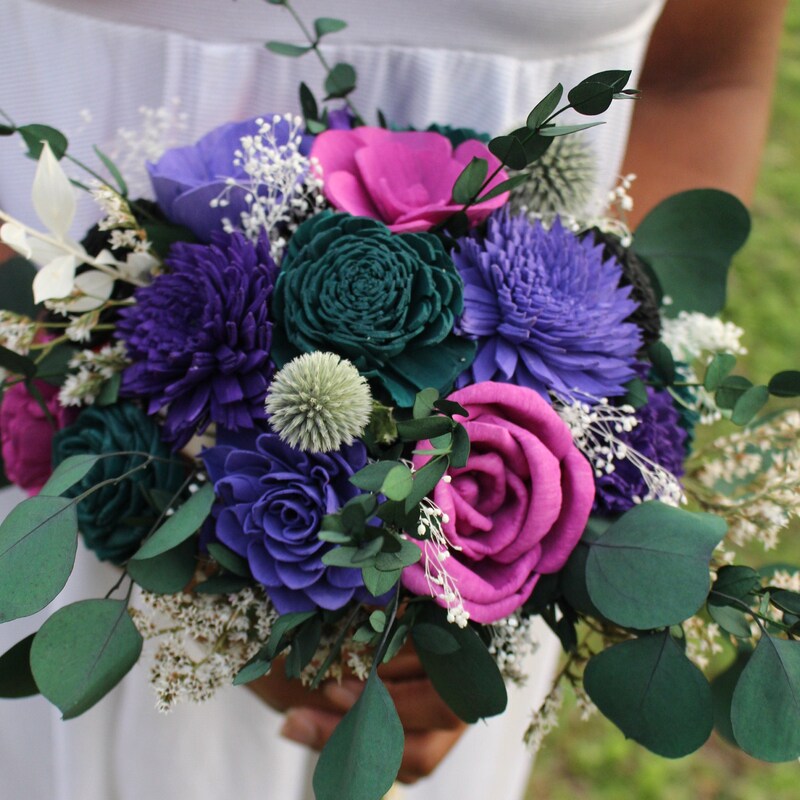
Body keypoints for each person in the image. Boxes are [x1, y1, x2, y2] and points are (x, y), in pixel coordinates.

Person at [0, 1, 786, 798]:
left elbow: (704, 76)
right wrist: (211, 555)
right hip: (77, 449)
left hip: (483, 576)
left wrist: (441, 621)